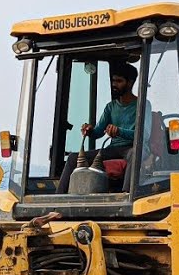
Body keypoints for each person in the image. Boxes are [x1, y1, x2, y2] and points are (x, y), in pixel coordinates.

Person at [57, 62, 148, 193]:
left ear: (130, 83)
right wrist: (90, 131)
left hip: (135, 148)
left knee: (134, 154)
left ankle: (126, 195)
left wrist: (119, 131)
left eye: (119, 81)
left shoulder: (143, 105)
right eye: (113, 81)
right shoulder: (111, 107)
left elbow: (144, 134)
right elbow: (99, 132)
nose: (114, 84)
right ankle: (58, 201)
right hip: (114, 149)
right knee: (73, 158)